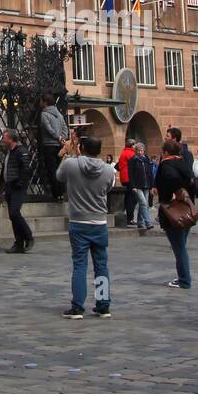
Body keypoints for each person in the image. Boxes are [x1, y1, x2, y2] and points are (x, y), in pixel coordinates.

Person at [57, 132, 115, 318]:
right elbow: (109, 188)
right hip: (99, 222)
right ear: (100, 151)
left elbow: (59, 176)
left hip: (78, 221)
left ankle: (77, 306)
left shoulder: (71, 165)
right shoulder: (108, 170)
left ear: (81, 148)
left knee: (80, 265)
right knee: (101, 265)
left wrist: (68, 154)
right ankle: (103, 304)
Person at [155, 137, 196, 289]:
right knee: (181, 245)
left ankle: (185, 280)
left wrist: (174, 192)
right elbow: (192, 183)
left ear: (165, 152)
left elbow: (171, 179)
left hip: (173, 210)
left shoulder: (166, 165)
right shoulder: (184, 163)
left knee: (179, 248)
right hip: (187, 209)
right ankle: (183, 277)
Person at [1, 129, 33, 254]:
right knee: (12, 215)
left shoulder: (21, 151)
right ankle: (18, 243)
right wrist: (2, 184)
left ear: (10, 139)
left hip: (17, 186)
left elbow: (26, 169)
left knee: (14, 212)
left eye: (4, 138)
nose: (3, 140)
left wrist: (20, 183)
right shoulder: (10, 152)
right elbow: (6, 168)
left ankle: (28, 236)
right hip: (10, 185)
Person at [39, 92, 67, 202]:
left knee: (52, 170)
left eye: (41, 101)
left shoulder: (44, 114)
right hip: (60, 146)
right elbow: (64, 127)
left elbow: (48, 128)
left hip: (49, 145)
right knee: (60, 169)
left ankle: (56, 194)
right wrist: (62, 138)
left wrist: (57, 137)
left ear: (45, 102)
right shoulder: (59, 114)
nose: (39, 103)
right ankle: (61, 193)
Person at [128, 142, 154, 232]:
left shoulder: (146, 159)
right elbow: (130, 174)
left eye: (142, 150)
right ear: (136, 151)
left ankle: (140, 221)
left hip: (146, 184)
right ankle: (148, 222)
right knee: (143, 203)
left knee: (143, 204)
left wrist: (152, 185)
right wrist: (133, 186)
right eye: (139, 150)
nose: (140, 152)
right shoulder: (133, 160)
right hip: (137, 185)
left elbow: (150, 173)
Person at [116, 137, 136, 225]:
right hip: (130, 177)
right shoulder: (131, 153)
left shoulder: (123, 152)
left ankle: (127, 216)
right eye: (134, 144)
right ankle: (130, 218)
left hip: (124, 177)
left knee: (128, 197)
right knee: (132, 198)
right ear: (132, 145)